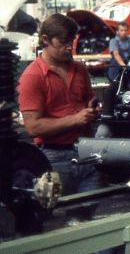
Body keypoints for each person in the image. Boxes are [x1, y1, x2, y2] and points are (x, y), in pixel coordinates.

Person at [17, 13, 105, 195]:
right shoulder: (32, 77)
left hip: (87, 152)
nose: (69, 47)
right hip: (55, 158)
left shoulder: (80, 69)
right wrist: (75, 119)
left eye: (72, 41)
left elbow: (88, 100)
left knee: (89, 212)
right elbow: (33, 126)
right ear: (45, 40)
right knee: (59, 216)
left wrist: (93, 110)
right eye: (64, 41)